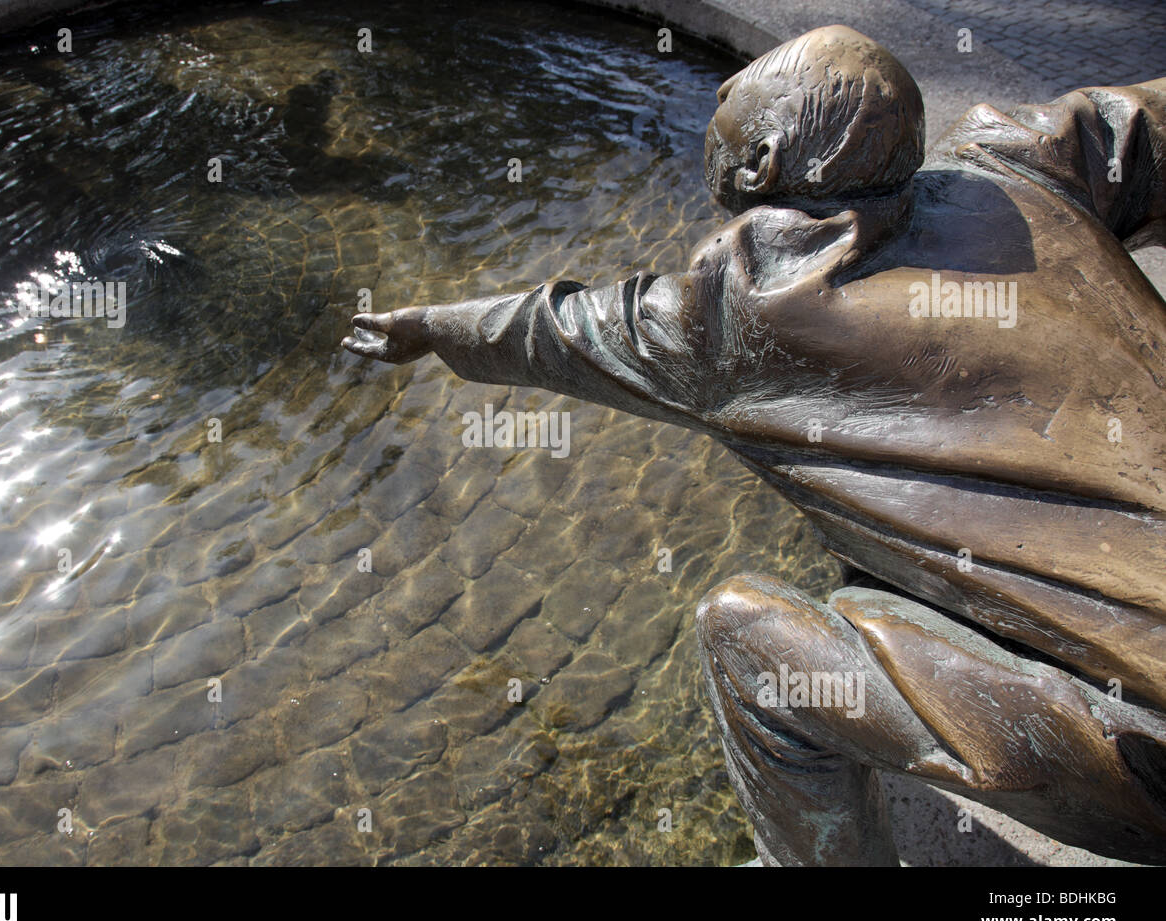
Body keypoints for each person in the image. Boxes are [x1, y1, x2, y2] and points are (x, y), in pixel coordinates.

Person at [343, 25, 1166, 865]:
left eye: (726, 112)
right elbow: (1146, 120)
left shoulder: (739, 305)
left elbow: (558, 329)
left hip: (1145, 754)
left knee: (744, 639)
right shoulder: (1022, 164)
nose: (713, 116)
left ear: (760, 164)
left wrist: (424, 329)